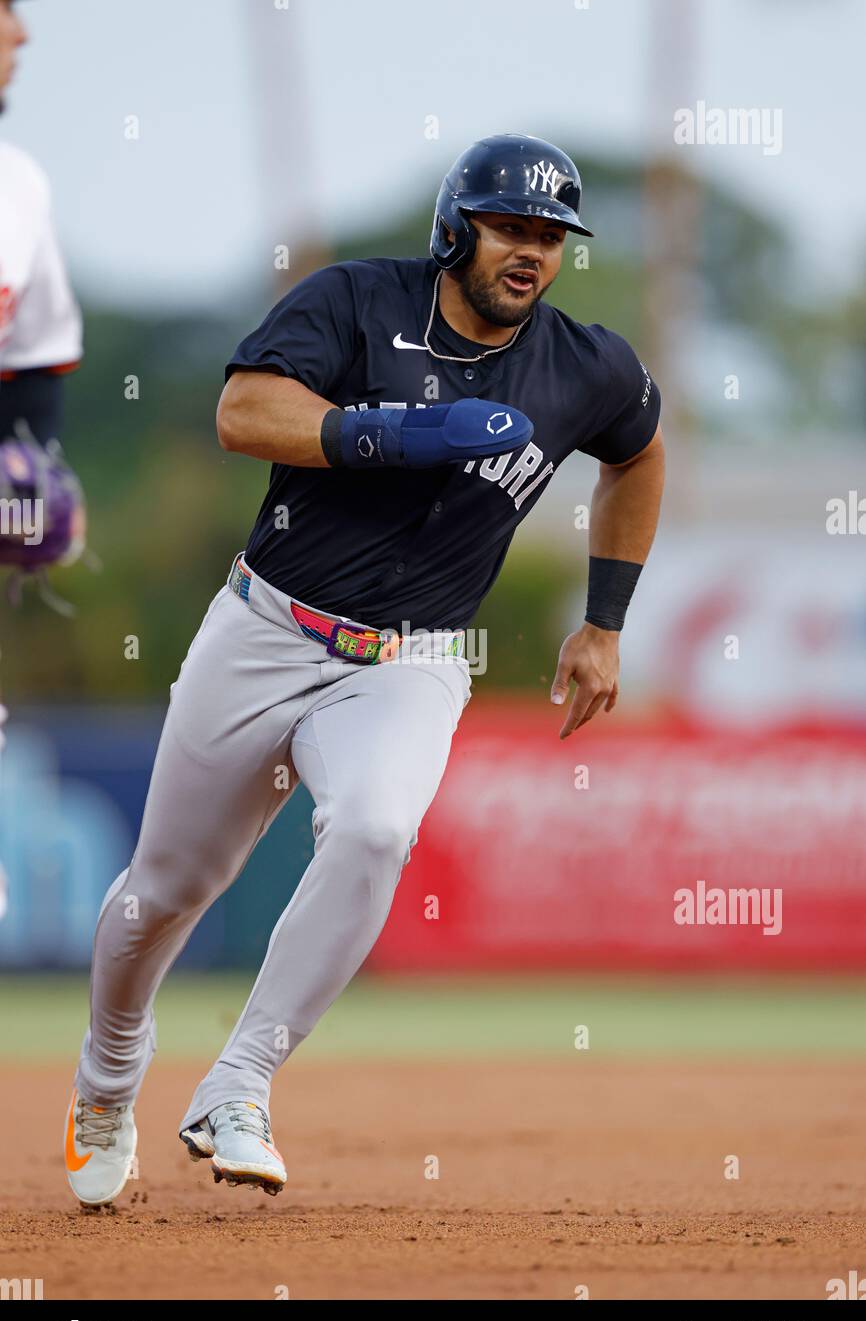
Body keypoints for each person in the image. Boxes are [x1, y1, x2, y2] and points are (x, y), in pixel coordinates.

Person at [66, 133, 664, 1206]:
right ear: (454, 225)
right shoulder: (353, 299)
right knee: (167, 890)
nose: (529, 252)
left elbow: (638, 450)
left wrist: (604, 621)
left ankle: (238, 1082)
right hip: (264, 629)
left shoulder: (587, 365)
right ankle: (108, 1077)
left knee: (379, 827)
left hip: (410, 659)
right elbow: (242, 412)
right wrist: (398, 433)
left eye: (548, 236)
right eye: (507, 227)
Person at [0, 0, 84, 923]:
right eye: (6, 12)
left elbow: (34, 352)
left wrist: (34, 470)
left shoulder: (16, 184)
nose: (23, 34)